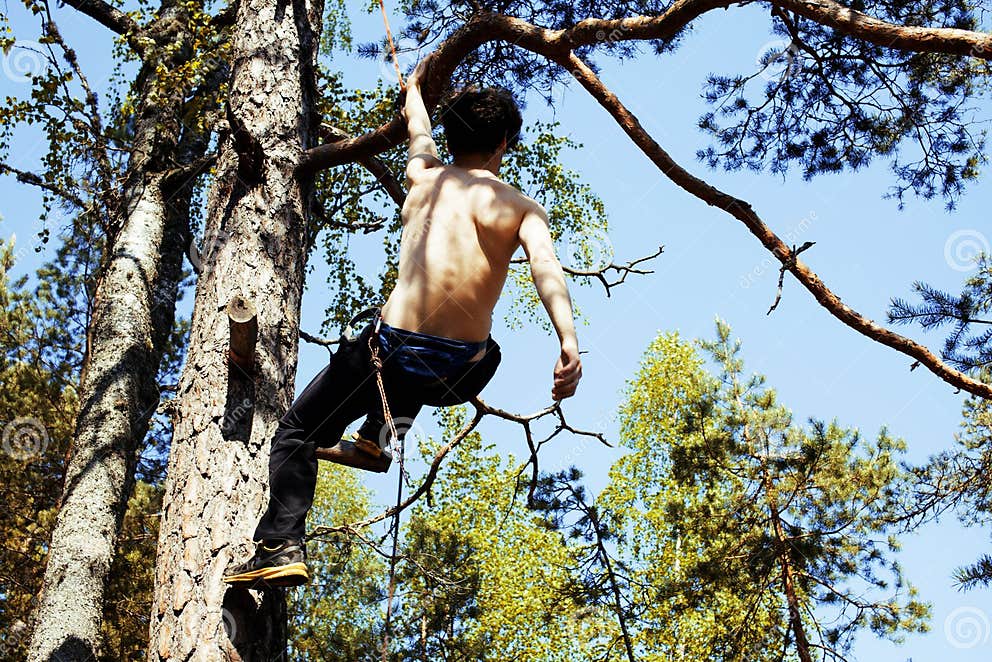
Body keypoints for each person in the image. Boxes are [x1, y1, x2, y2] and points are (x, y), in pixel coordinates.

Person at [223, 55, 582, 588]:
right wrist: (568, 341)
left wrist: (414, 85)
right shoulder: (522, 208)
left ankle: (280, 543)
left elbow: (416, 122)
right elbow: (545, 268)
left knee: (298, 430)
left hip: (386, 356)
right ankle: (378, 434)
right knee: (485, 353)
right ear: (504, 142)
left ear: (451, 135)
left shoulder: (424, 176)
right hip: (457, 371)